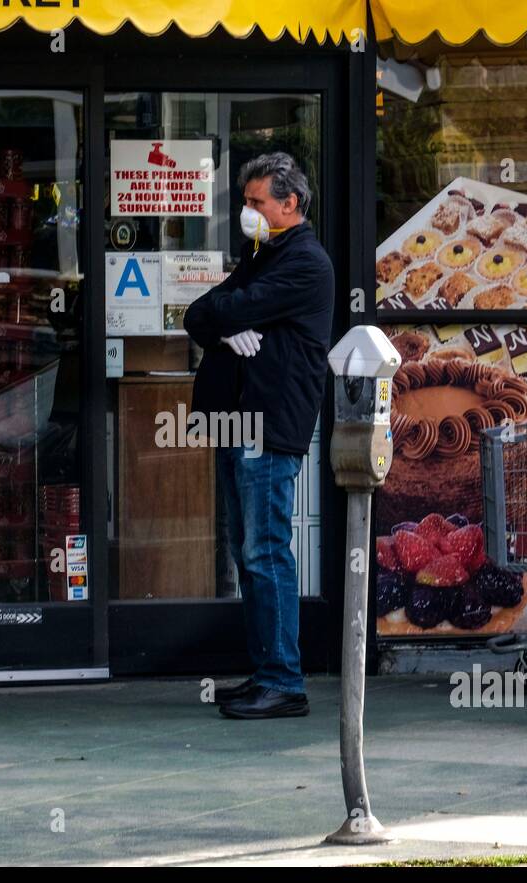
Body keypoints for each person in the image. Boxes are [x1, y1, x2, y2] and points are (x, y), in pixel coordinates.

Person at [183, 152, 334, 720]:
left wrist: (230, 318)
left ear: (289, 203)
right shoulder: (262, 254)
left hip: (270, 425)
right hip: (239, 420)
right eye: (247, 202)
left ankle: (283, 681)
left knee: (265, 549)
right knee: (248, 551)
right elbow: (197, 314)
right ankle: (267, 671)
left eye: (256, 203)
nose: (248, 212)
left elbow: (226, 307)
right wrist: (227, 330)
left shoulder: (305, 263)